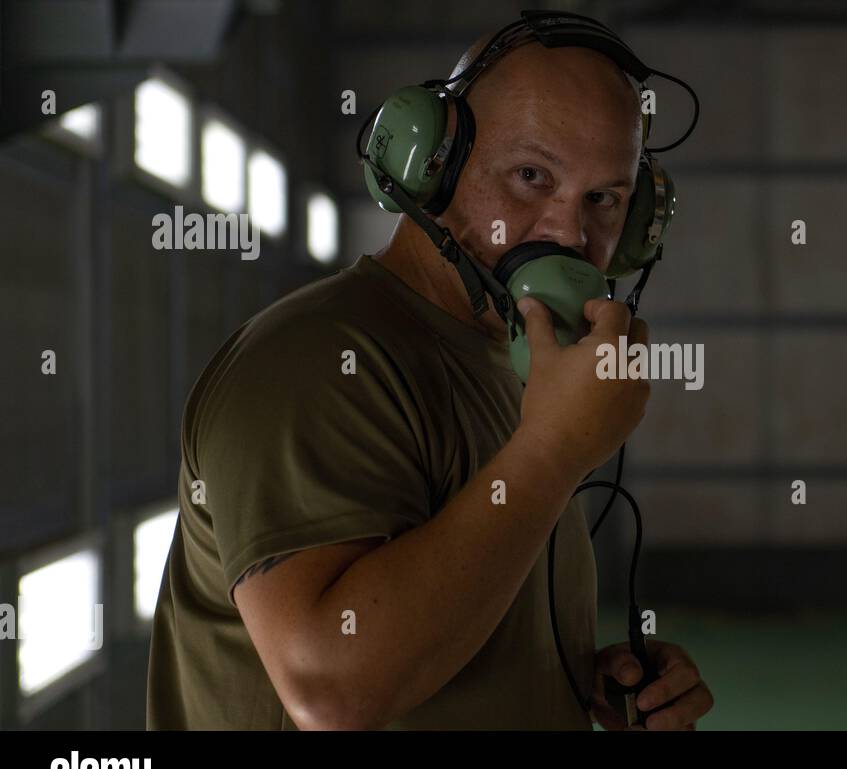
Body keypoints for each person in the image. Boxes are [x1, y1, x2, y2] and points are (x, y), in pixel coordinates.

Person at [146, 26, 713, 731]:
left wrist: (567, 679)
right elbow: (331, 685)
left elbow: (448, 619)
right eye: (531, 176)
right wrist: (554, 450)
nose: (569, 233)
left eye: (604, 198)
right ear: (430, 168)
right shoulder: (315, 361)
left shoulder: (520, 369)